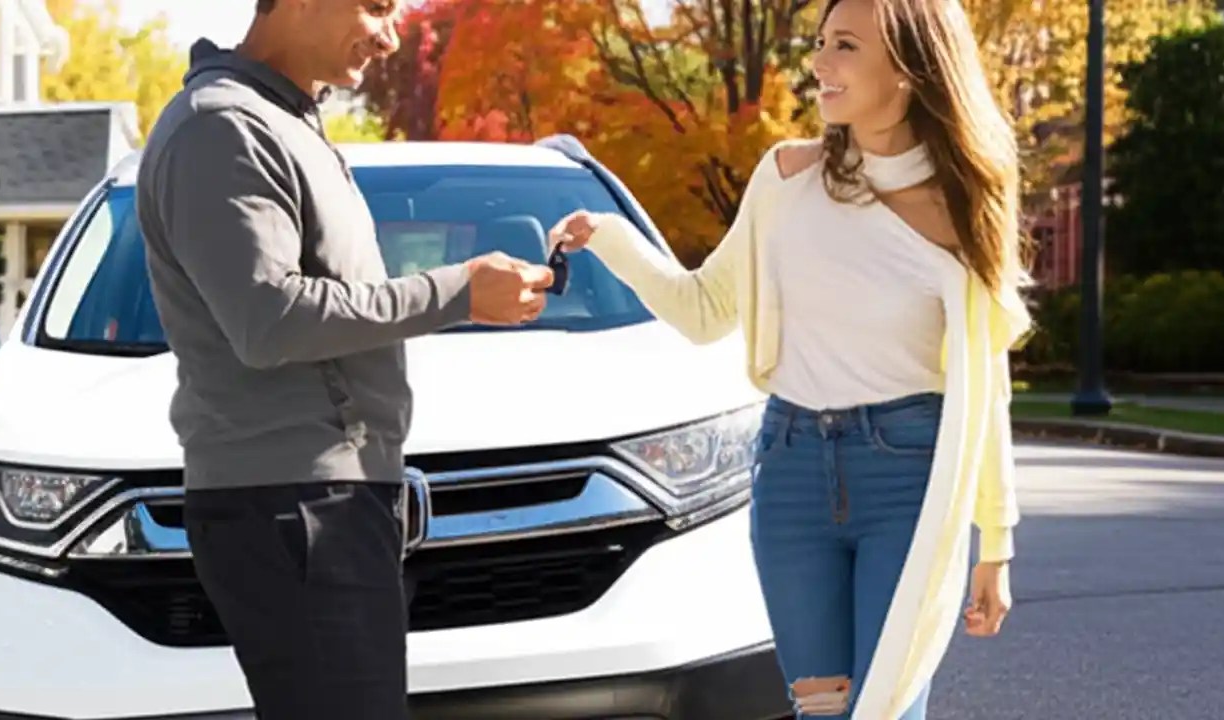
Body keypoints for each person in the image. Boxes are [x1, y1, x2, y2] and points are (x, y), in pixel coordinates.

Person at [548, 0, 1032, 717]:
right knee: (822, 710)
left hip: (909, 474)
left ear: (906, 70)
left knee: (886, 707)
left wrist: (997, 540)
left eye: (845, 47)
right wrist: (611, 238)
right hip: (792, 468)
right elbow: (703, 311)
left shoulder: (962, 202)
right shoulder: (785, 180)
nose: (818, 64)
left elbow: (986, 382)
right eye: (820, 42)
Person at [136, 1, 553, 718]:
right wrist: (457, 292)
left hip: (327, 500)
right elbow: (268, 322)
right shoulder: (222, 127)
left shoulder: (282, 121)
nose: (392, 35)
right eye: (378, 6)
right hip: (292, 506)